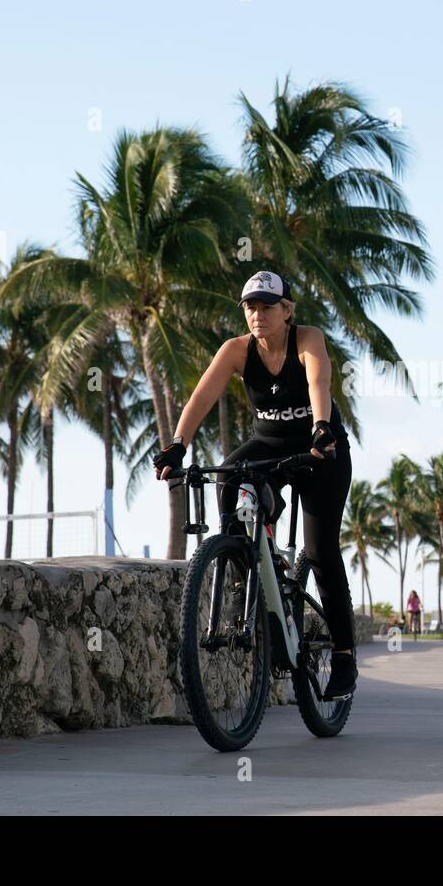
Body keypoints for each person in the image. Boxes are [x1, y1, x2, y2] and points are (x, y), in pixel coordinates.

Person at [152, 269, 358, 700]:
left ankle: (343, 655)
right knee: (228, 477)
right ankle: (249, 562)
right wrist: (176, 446)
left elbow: (320, 380)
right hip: (268, 446)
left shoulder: (307, 339)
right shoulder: (236, 350)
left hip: (321, 452)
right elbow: (201, 398)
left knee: (321, 552)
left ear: (287, 310)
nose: (258, 314)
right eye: (251, 306)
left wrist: (321, 427)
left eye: (267, 306)